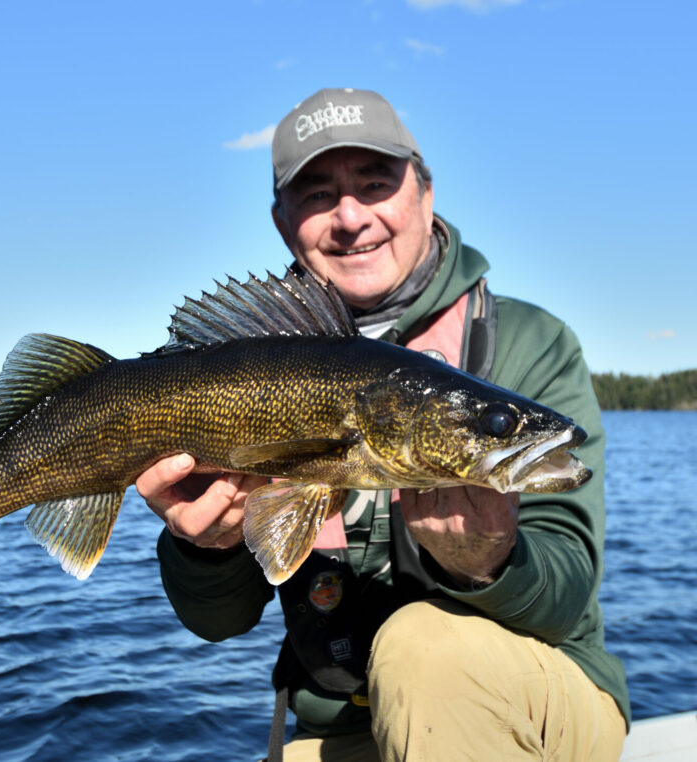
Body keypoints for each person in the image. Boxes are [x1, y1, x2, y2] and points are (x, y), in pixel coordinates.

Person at [134, 88, 629, 761]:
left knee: (425, 650)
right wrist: (205, 549)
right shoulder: (248, 365)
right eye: (317, 195)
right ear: (282, 222)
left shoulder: (531, 342)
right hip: (344, 728)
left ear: (425, 194)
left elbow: (567, 594)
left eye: (375, 183)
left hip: (537, 702)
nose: (350, 217)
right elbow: (216, 623)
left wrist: (493, 562)